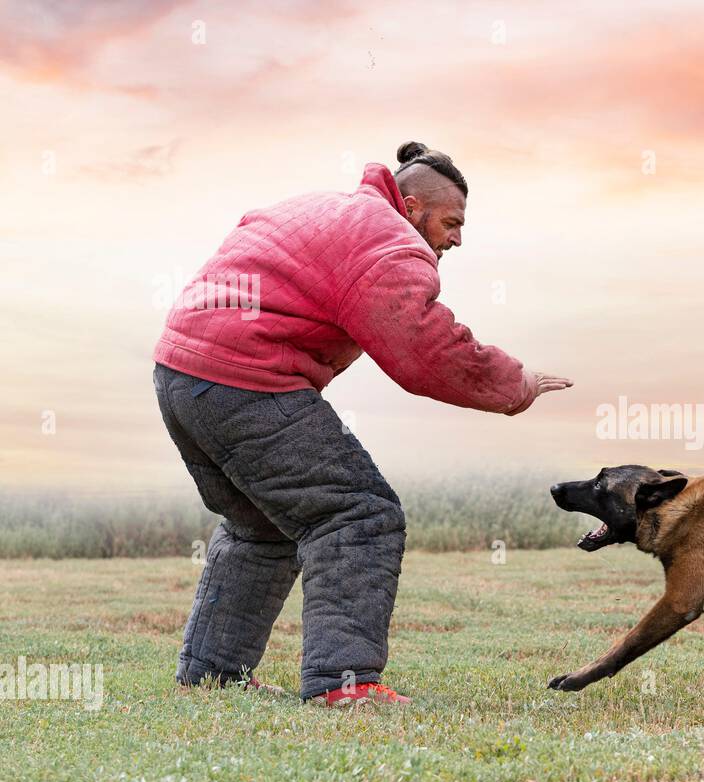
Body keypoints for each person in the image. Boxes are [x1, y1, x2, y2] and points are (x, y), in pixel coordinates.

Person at [152, 140, 571, 706]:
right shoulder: (390, 240)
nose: (457, 239)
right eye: (451, 222)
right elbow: (423, 351)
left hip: (179, 376)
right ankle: (344, 685)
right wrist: (514, 384)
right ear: (413, 205)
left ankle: (211, 677)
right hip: (245, 379)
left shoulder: (320, 209)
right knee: (358, 513)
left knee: (263, 525)